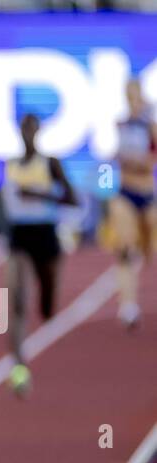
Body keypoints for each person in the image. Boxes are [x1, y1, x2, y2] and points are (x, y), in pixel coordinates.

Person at [0, 115, 77, 395]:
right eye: (24, 129)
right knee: (17, 302)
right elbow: (8, 198)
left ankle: (47, 306)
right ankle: (19, 367)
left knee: (46, 306)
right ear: (20, 132)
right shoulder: (10, 164)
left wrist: (39, 195)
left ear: (38, 132)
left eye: (31, 129)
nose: (27, 134)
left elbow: (72, 199)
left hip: (45, 235)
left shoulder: (50, 163)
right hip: (19, 235)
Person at [110, 78, 157, 329]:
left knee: (149, 249)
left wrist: (144, 161)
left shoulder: (150, 126)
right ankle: (128, 305)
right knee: (126, 248)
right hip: (125, 191)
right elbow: (114, 157)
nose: (133, 102)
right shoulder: (121, 124)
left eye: (136, 97)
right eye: (129, 98)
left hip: (147, 193)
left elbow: (152, 157)